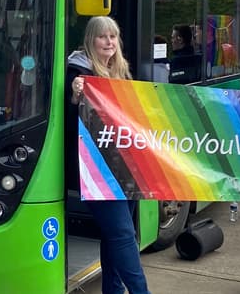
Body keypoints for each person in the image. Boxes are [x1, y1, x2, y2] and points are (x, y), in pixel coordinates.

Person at [67, 16, 151, 294]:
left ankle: (112, 291)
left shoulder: (120, 73)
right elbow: (67, 120)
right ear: (90, 40)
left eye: (113, 37)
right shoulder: (77, 73)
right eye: (102, 37)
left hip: (125, 165)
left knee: (114, 236)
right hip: (96, 168)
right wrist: (75, 96)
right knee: (124, 235)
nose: (109, 42)